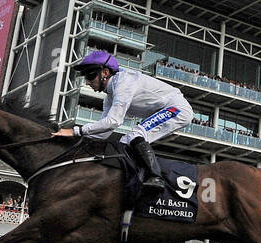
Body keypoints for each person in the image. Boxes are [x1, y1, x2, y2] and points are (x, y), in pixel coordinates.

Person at [53, 50, 194, 195]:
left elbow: (114, 121)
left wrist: (75, 131)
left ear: (105, 72)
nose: (87, 82)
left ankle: (156, 178)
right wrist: (74, 142)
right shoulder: (109, 97)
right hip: (167, 109)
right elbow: (103, 133)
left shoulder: (123, 82)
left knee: (135, 135)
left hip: (177, 109)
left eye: (90, 76)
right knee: (124, 141)